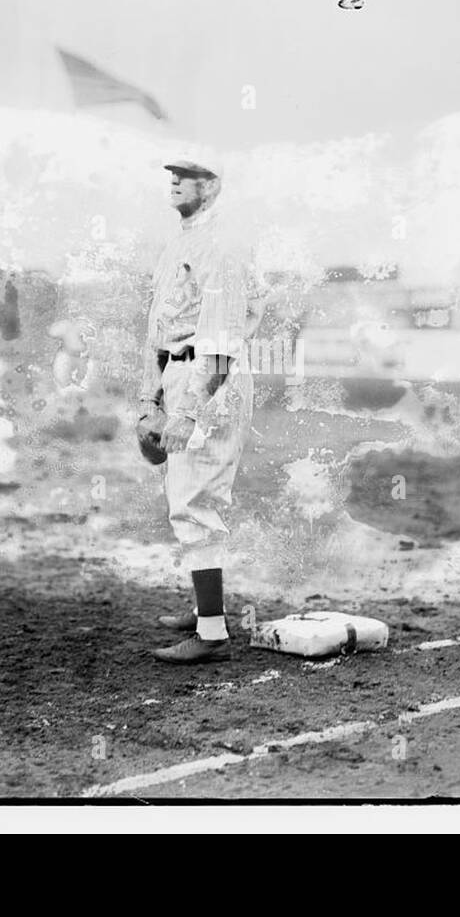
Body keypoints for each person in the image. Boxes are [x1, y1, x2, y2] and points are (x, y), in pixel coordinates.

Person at [137, 157, 263, 664]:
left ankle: (211, 633)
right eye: (173, 173)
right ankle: (202, 608)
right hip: (177, 370)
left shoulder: (225, 246)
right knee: (183, 493)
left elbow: (222, 343)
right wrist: (150, 399)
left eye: (188, 175)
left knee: (193, 501)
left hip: (211, 378)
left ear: (212, 187)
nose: (175, 180)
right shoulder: (179, 242)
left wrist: (188, 411)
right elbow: (156, 328)